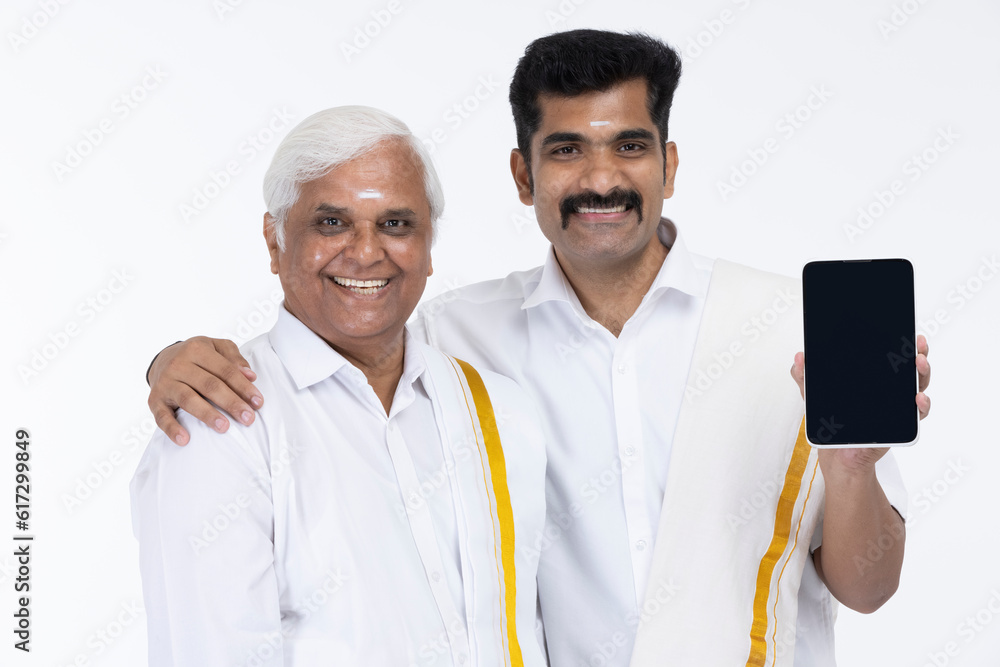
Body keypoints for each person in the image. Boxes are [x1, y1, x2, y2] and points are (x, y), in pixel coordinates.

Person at [143, 31, 932, 666]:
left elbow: (866, 590)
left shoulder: (790, 326)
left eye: (629, 146)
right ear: (523, 175)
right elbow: (339, 325)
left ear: (670, 162)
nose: (600, 179)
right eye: (564, 151)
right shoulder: (454, 339)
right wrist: (170, 362)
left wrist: (853, 468)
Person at [130, 106, 549, 666]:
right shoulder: (222, 424)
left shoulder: (499, 408)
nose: (367, 252)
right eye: (331, 223)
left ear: (428, 248)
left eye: (396, 224)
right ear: (274, 241)